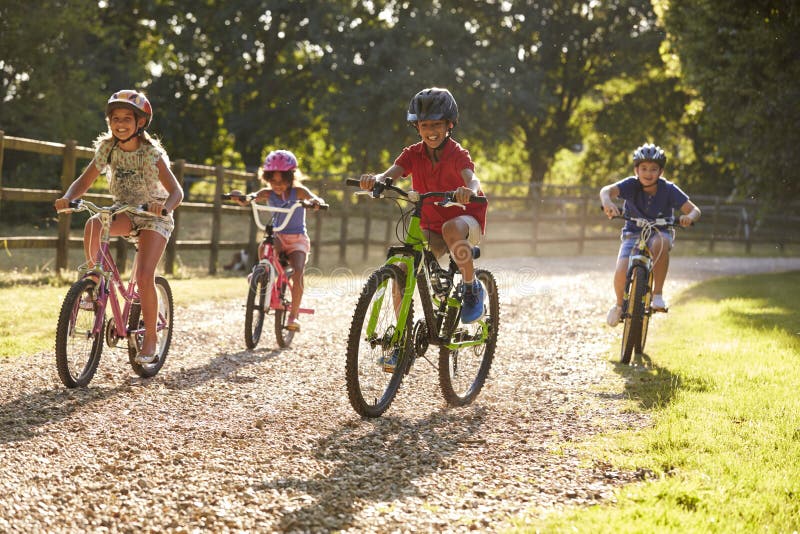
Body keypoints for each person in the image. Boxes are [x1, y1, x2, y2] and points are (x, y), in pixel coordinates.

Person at [54, 90, 184, 363]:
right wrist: (69, 197)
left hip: (153, 215)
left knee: (146, 276)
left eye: (127, 118)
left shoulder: (151, 154)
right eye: (115, 118)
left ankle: (150, 340)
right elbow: (85, 179)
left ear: (140, 123)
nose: (120, 123)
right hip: (124, 210)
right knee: (93, 224)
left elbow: (177, 191)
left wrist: (165, 207)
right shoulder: (107, 148)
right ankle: (93, 281)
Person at [359, 87, 488, 324]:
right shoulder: (412, 154)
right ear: (416, 126)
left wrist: (469, 189)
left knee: (451, 228)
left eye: (437, 124)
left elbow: (472, 177)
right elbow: (389, 174)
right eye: (425, 125)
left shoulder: (457, 153)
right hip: (430, 224)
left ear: (450, 125)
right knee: (402, 271)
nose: (431, 131)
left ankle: (471, 288)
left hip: (464, 219)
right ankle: (400, 337)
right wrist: (376, 180)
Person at [600, 143, 701, 326]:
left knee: (660, 242)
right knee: (622, 270)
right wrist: (607, 202)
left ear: (661, 172)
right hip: (633, 233)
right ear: (636, 170)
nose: (648, 173)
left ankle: (658, 295)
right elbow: (606, 191)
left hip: (660, 231)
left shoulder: (669, 189)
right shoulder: (630, 184)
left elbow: (695, 210)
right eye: (644, 168)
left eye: (654, 169)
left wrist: (689, 217)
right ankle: (619, 305)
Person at [231, 149, 325, 332]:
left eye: (281, 182)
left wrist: (316, 202)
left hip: (297, 239)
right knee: (266, 243)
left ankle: (293, 316)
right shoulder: (268, 193)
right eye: (272, 181)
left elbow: (314, 197)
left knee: (298, 271)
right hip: (279, 236)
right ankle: (261, 270)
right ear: (266, 178)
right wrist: (241, 197)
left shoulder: (298, 192)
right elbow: (250, 198)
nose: (277, 185)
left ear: (291, 178)